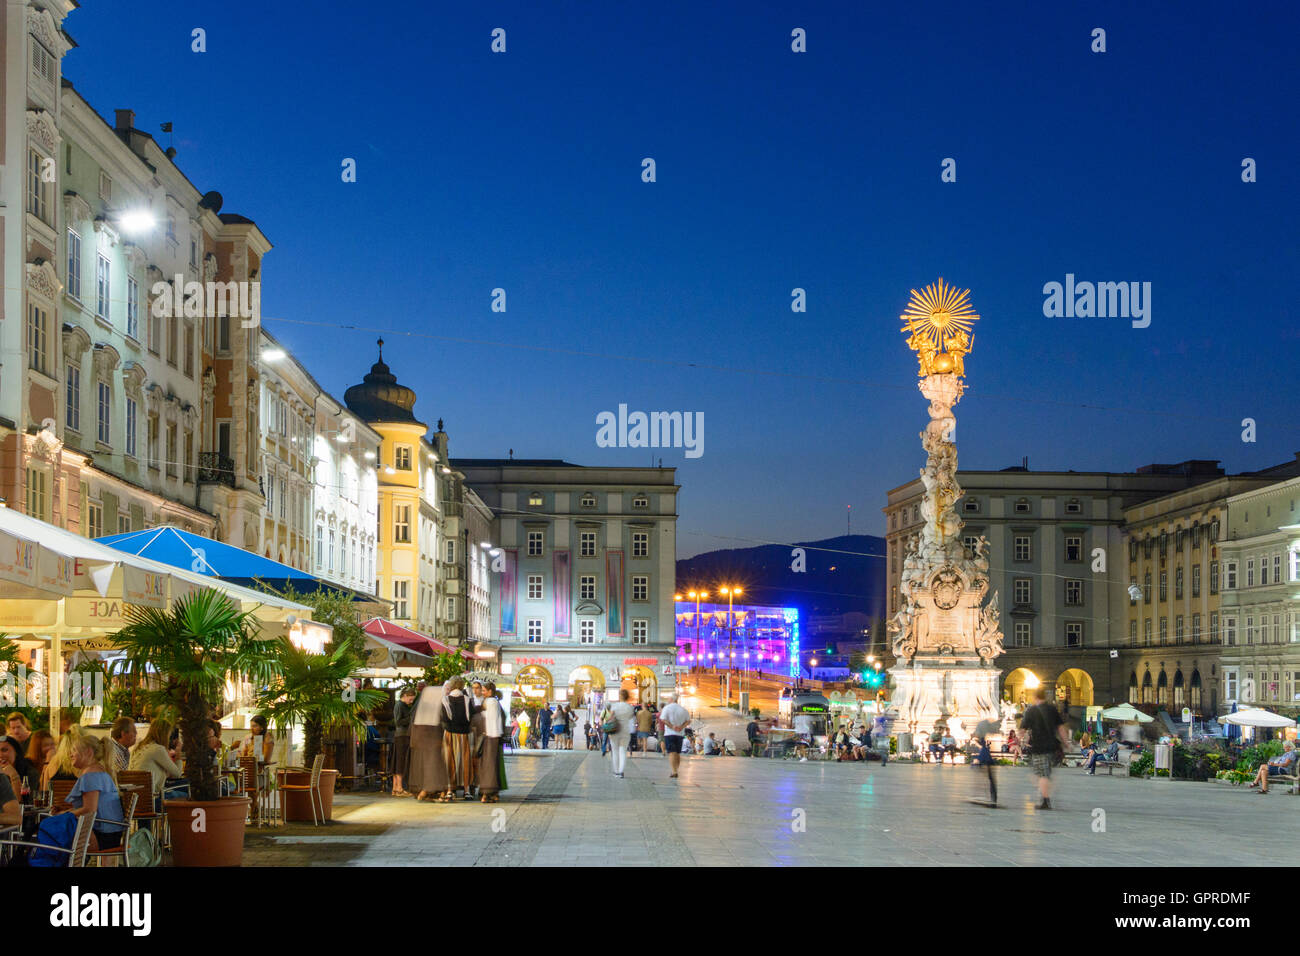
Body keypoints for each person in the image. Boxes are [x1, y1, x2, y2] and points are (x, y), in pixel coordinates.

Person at [60, 733, 126, 851]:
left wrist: (66, 815)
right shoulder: (100, 772)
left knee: (56, 841)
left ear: (88, 752)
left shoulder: (90, 775)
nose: (70, 754)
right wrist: (66, 812)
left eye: (74, 750)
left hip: (102, 835)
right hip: (112, 833)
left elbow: (90, 810)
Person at [1019, 686, 1070, 809]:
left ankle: (1045, 801)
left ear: (1035, 697)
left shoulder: (1031, 711)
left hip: (1039, 746)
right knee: (1043, 774)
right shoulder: (1052, 709)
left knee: (1042, 775)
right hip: (1052, 746)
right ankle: (1045, 791)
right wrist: (1067, 743)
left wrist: (1018, 741)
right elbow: (1061, 728)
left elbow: (1022, 729)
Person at [129, 718, 185, 803]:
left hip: (134, 799)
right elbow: (177, 774)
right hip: (152, 800)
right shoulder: (158, 749)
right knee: (186, 794)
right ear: (165, 734)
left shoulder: (138, 747)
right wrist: (178, 752)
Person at [409, 681, 449, 802]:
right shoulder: (437, 707)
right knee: (433, 767)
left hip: (421, 742)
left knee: (424, 767)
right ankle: (427, 791)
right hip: (433, 743)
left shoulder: (420, 707)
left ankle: (425, 791)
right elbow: (444, 721)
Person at [441, 677, 476, 801]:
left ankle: (450, 790)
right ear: (461, 686)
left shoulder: (445, 700)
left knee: (449, 761)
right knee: (465, 761)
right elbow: (470, 716)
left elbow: (444, 718)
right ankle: (467, 790)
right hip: (464, 735)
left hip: (449, 734)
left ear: (451, 685)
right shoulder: (467, 700)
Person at [477, 682, 508, 803]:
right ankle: (493, 793)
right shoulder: (495, 702)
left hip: (490, 737)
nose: (482, 693)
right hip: (495, 737)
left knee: (488, 765)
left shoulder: (490, 702)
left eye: (484, 691)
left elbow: (488, 720)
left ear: (490, 691)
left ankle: (487, 792)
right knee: (493, 765)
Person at [391, 686, 417, 797]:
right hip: (402, 736)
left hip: (402, 736)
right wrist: (411, 718)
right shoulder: (399, 705)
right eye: (410, 699)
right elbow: (398, 722)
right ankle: (399, 788)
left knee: (398, 762)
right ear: (405, 696)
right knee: (400, 762)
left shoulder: (402, 705)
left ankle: (396, 788)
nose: (411, 701)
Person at [658, 696, 691, 778]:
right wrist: (681, 727)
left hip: (669, 733)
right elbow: (688, 721)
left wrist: (672, 726)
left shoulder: (667, 708)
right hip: (680, 734)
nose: (668, 700)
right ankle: (676, 769)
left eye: (669, 698)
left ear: (671, 699)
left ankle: (674, 771)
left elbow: (663, 719)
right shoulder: (683, 709)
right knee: (677, 753)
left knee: (672, 752)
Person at [606, 689, 635, 777]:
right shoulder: (630, 707)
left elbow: (609, 718)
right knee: (623, 751)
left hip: (615, 730)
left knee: (615, 751)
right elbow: (631, 718)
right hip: (625, 730)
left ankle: (616, 771)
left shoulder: (614, 706)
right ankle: (621, 771)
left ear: (619, 696)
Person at [0, 734, 37, 798]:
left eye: (4, 750)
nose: (0, 755)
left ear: (16, 752)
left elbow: (20, 803)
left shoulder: (30, 773)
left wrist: (14, 776)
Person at [971, 735, 998, 806]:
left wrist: (974, 764)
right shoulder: (984, 749)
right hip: (989, 767)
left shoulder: (983, 749)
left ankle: (992, 799)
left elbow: (979, 760)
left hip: (987, 767)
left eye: (975, 742)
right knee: (990, 783)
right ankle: (993, 798)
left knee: (987, 783)